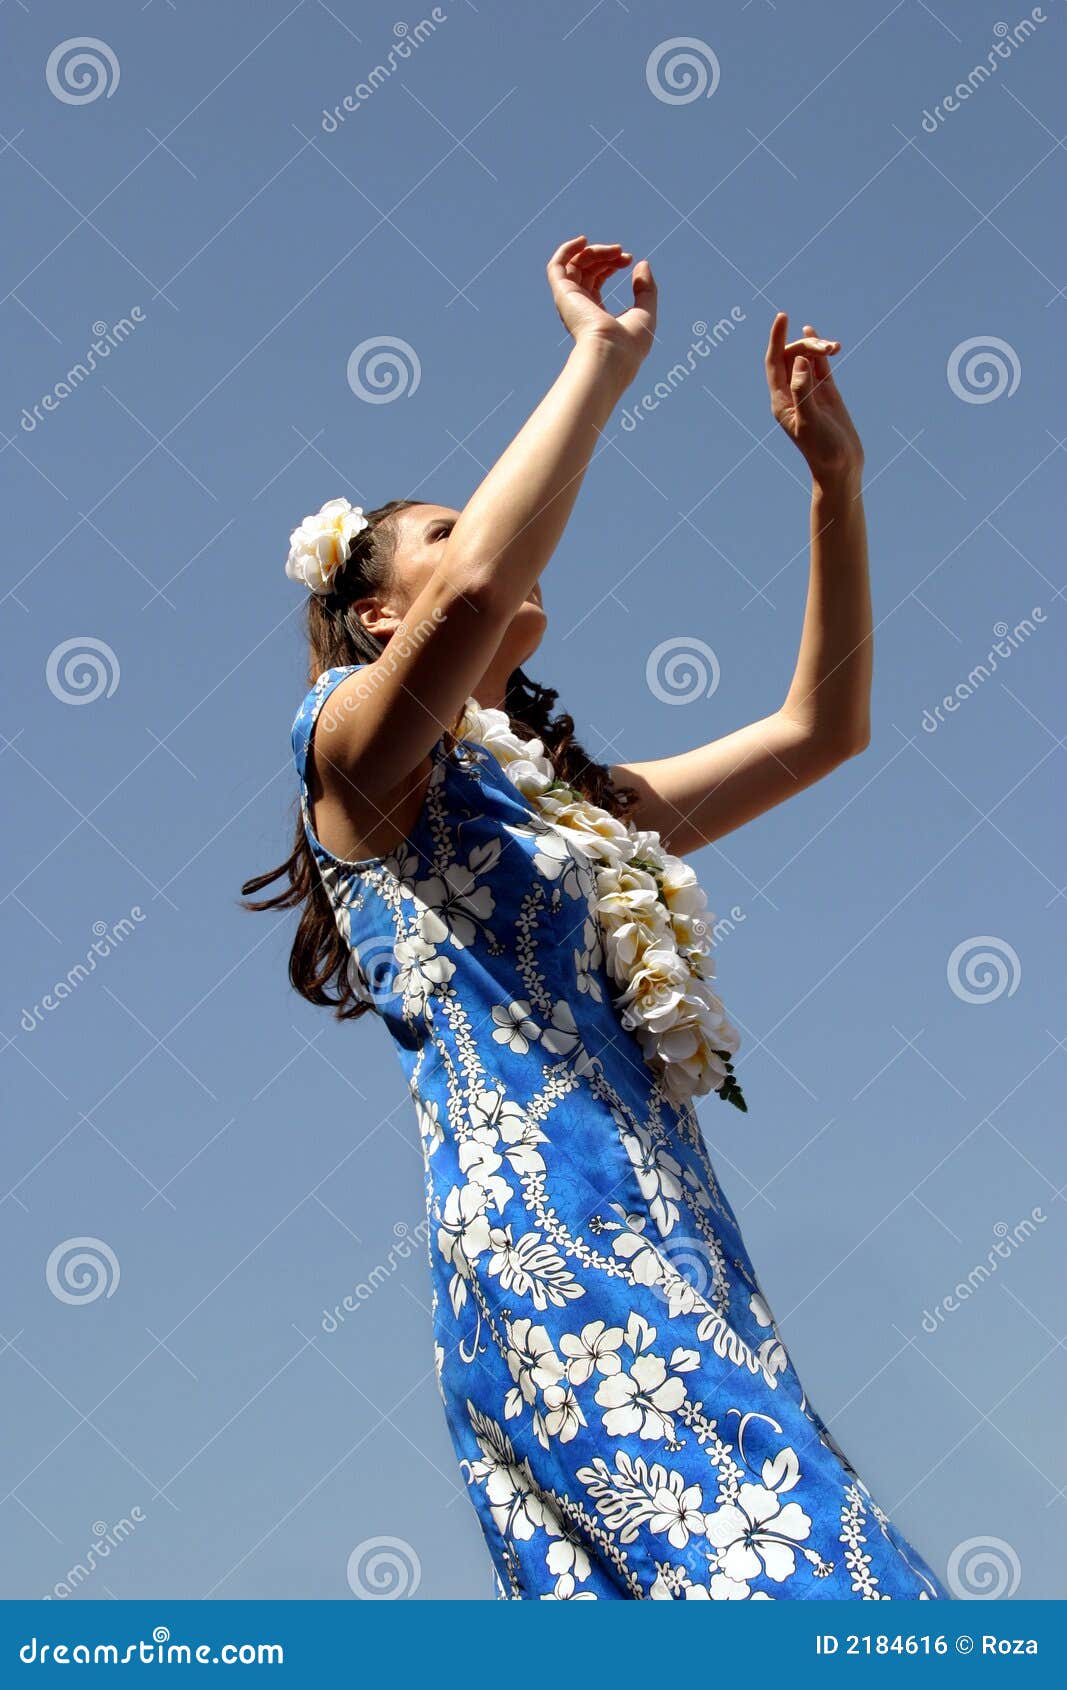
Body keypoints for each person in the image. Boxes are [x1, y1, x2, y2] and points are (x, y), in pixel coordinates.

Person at [243, 236, 946, 1600]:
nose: (493, 542)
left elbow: (822, 729)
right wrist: (604, 360)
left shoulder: (573, 804)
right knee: (800, 1584)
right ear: (377, 616)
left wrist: (837, 484)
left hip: (675, 1224)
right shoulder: (355, 761)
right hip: (552, 1243)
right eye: (448, 529)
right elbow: (477, 587)